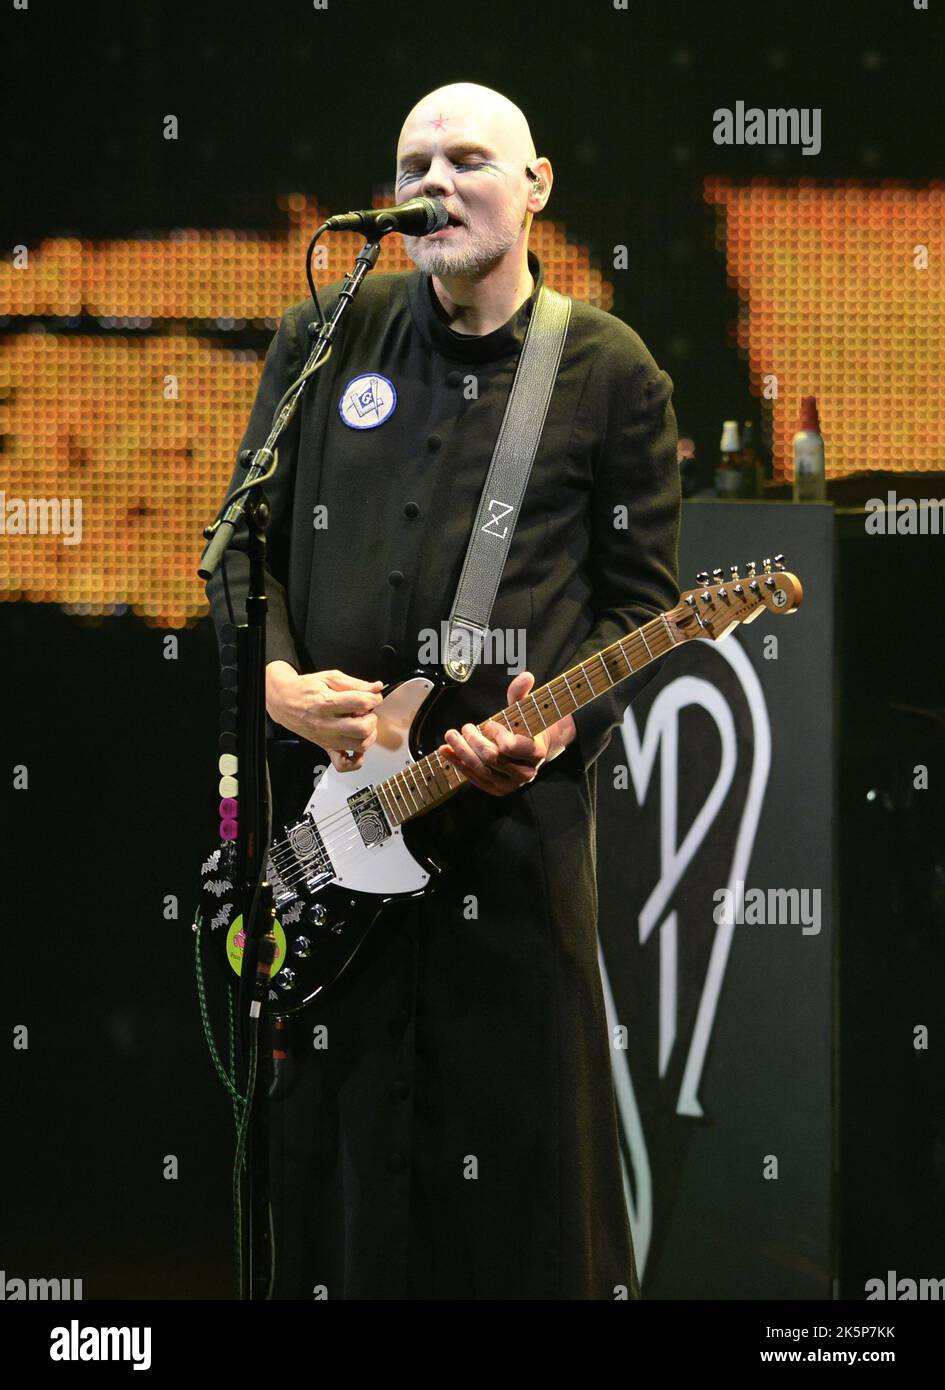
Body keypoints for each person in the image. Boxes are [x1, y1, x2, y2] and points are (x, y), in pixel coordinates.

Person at [206, 81, 680, 1300]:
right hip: (330, 847)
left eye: (468, 157)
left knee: (516, 1210)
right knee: (339, 1197)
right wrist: (275, 684)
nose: (433, 180)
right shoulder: (326, 332)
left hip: (509, 864)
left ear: (537, 186)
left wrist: (562, 723)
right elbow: (238, 550)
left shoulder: (606, 367)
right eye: (414, 158)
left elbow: (643, 605)